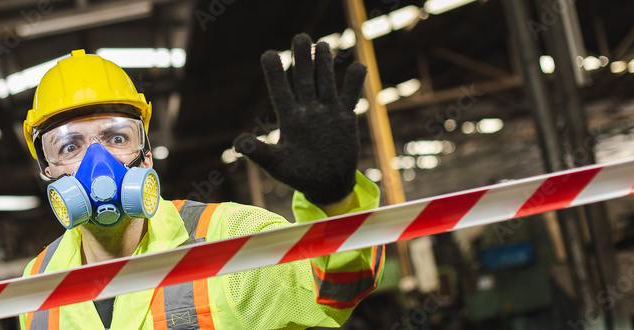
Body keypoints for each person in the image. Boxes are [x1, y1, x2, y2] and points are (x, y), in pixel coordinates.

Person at [19, 33, 383, 329]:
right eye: (68, 146)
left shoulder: (231, 238)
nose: (97, 164)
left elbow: (336, 292)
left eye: (117, 138)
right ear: (48, 170)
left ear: (145, 155)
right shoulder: (35, 280)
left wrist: (335, 204)